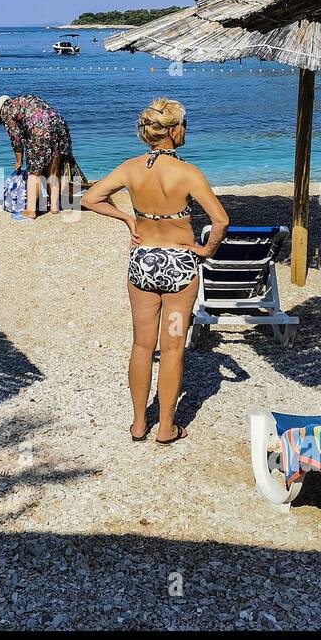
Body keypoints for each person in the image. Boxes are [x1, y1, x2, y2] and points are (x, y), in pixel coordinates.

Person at [81, 98, 228, 446]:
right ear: (173, 131)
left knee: (142, 344)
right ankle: (165, 428)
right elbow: (221, 221)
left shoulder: (131, 168)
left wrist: (127, 218)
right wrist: (206, 250)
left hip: (143, 264)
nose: (186, 130)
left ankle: (137, 424)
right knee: (173, 347)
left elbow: (89, 199)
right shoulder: (188, 173)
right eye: (184, 125)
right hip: (179, 268)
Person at [0, 94, 74, 218]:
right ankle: (55, 207)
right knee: (53, 170)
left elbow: (16, 140)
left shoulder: (7, 112)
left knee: (34, 173)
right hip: (60, 124)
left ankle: (31, 211)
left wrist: (19, 161)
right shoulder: (25, 99)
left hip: (39, 130)